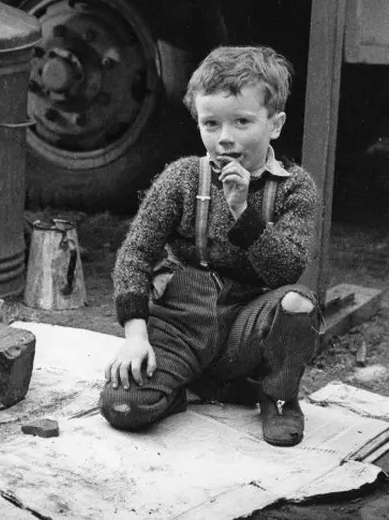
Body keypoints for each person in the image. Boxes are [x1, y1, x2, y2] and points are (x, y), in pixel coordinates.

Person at [100, 45, 321, 447]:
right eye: (211, 124)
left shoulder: (294, 187)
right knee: (122, 407)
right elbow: (134, 256)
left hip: (247, 327)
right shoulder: (182, 179)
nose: (225, 139)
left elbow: (286, 270)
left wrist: (242, 212)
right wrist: (136, 335)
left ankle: (277, 395)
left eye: (241, 122)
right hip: (183, 322)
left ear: (275, 124)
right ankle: (193, 387)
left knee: (298, 303)